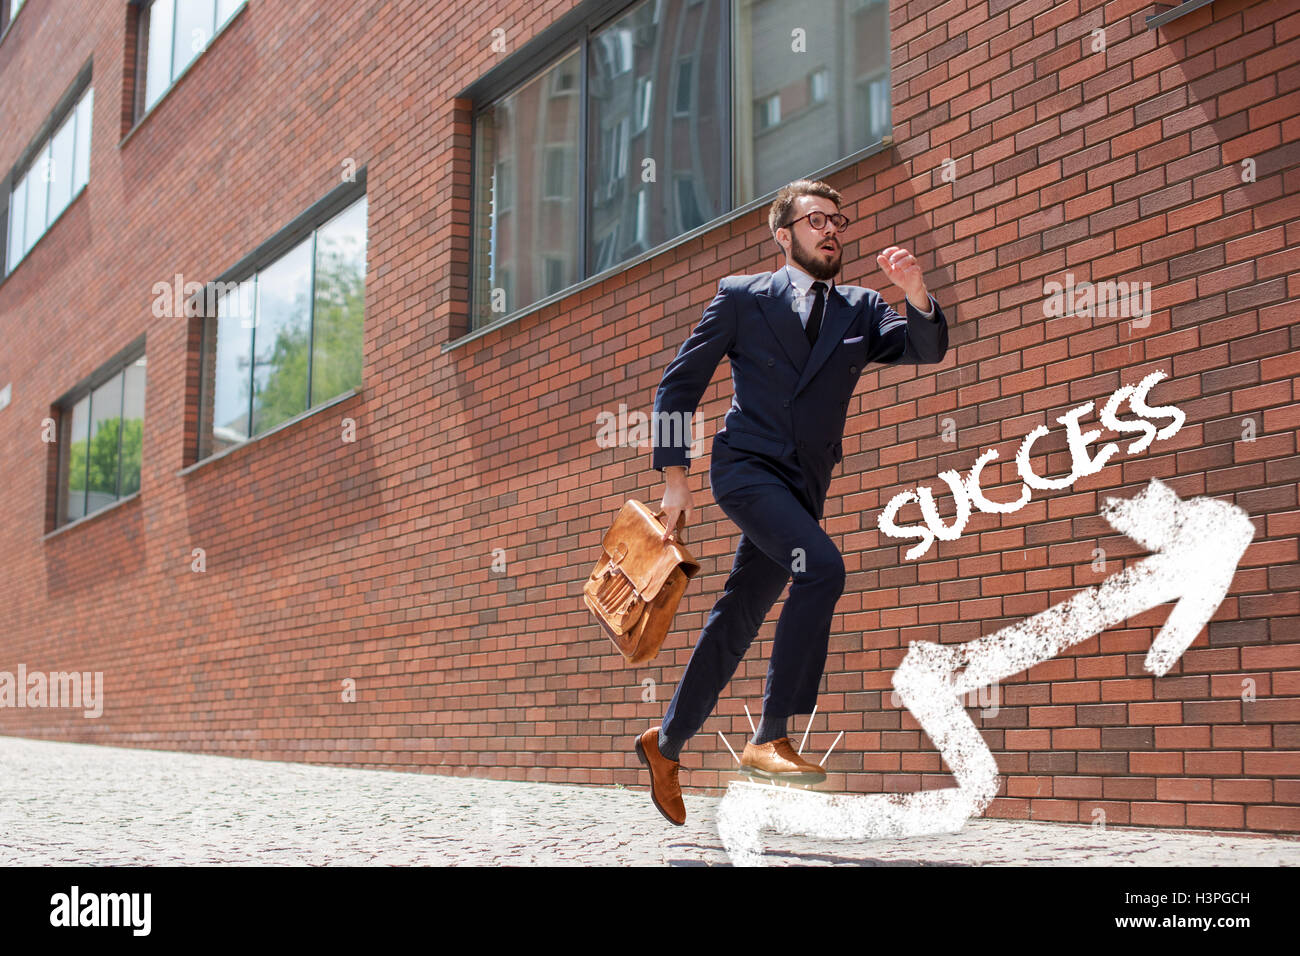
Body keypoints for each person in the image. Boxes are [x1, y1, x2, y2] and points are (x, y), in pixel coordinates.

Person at [634, 179, 951, 826]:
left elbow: (925, 347)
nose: (831, 230)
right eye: (815, 220)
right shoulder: (743, 297)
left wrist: (916, 293)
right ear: (784, 235)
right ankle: (771, 736)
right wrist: (675, 479)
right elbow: (678, 387)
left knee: (738, 617)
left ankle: (663, 744)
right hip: (745, 468)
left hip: (805, 485)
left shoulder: (861, 307)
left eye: (838, 219)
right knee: (823, 568)